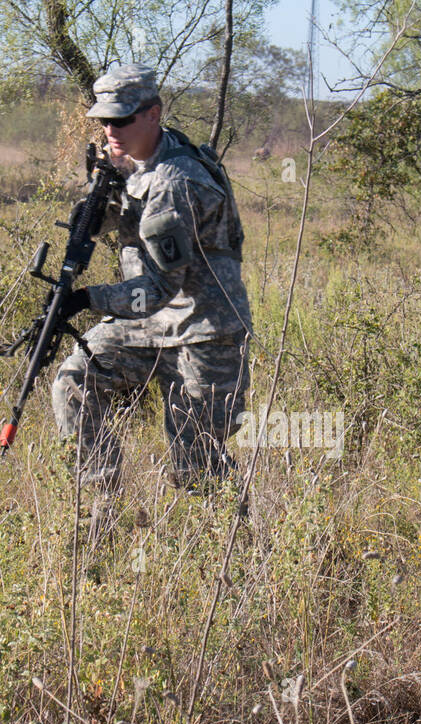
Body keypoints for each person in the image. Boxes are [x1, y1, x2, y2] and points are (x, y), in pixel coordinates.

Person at [50, 64, 252, 546]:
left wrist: (85, 299)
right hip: (153, 324)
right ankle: (102, 511)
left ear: (153, 115)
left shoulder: (176, 181)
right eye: (103, 121)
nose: (109, 131)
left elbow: (158, 287)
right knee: (74, 380)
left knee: (196, 465)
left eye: (120, 121)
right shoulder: (134, 166)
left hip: (206, 329)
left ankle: (243, 570)